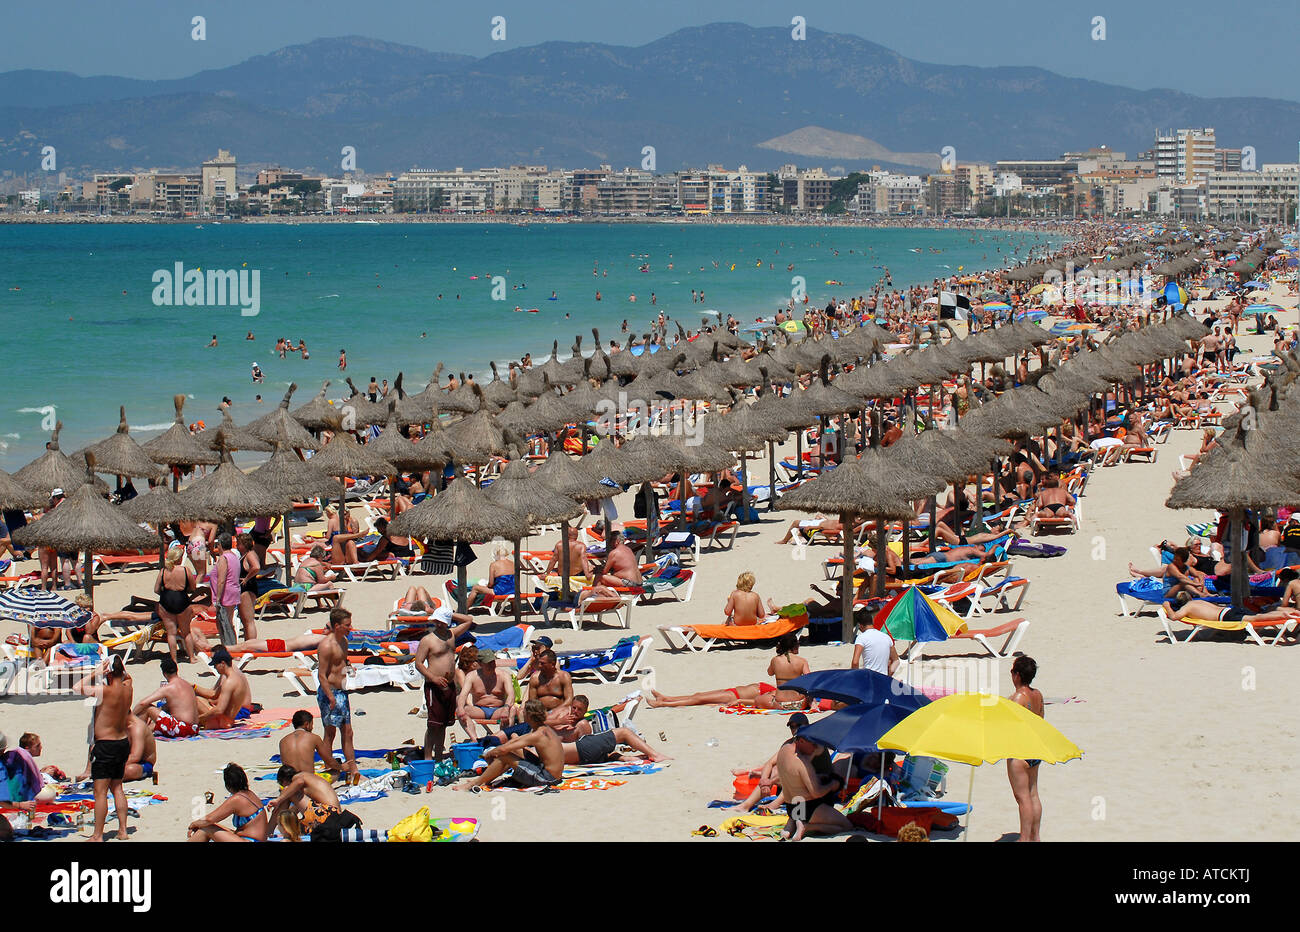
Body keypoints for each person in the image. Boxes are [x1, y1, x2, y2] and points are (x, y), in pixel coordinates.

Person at [647, 636, 809, 710]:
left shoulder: (776, 661)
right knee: (699, 697)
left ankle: (663, 703)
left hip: (741, 696)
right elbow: (810, 681)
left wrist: (741, 701)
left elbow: (769, 673)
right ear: (794, 647)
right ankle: (666, 699)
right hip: (787, 702)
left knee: (699, 698)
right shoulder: (802, 661)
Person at [73, 655, 133, 842]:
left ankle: (97, 835)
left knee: (100, 793)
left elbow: (77, 687)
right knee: (117, 787)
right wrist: (117, 670)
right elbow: (128, 678)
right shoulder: (128, 689)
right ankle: (123, 830)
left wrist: (95, 673)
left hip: (105, 745)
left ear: (108, 673)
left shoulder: (104, 691)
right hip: (122, 742)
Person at [453, 700, 563, 792]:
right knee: (511, 751)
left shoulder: (537, 734)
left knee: (504, 756)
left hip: (547, 778)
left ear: (529, 715)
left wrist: (489, 754)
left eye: (524, 711)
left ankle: (475, 783)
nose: (522, 713)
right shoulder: (543, 729)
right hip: (552, 774)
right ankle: (484, 779)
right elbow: (517, 741)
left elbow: (504, 749)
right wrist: (500, 748)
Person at [776, 732, 852, 841]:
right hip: (807, 808)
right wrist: (832, 785)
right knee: (847, 826)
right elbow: (816, 793)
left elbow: (796, 776)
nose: (815, 747)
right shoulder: (802, 762)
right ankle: (806, 826)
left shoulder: (784, 749)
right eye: (813, 744)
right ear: (801, 741)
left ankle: (792, 822)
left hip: (791, 806)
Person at [555, 695, 669, 764]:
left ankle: (626, 758)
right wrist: (560, 721)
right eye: (574, 708)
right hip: (578, 754)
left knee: (609, 748)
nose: (575, 711)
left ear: (585, 712)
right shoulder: (563, 718)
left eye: (579, 709)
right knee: (623, 733)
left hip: (578, 752)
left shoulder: (581, 724)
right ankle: (652, 755)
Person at [316, 609, 359, 776]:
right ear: (337, 626)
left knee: (348, 732)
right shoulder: (326, 646)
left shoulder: (344, 641)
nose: (350, 628)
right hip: (330, 692)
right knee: (330, 732)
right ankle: (330, 767)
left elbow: (343, 661)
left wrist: (349, 669)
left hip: (342, 691)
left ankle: (353, 769)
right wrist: (330, 696)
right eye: (347, 625)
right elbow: (321, 675)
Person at [266, 764, 357, 841]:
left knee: (286, 791)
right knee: (292, 822)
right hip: (334, 817)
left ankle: (268, 831)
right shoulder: (309, 778)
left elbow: (299, 782)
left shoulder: (299, 777)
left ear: (284, 781)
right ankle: (269, 829)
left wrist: (278, 800)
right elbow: (296, 809)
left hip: (326, 815)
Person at [1007, 656, 1044, 842]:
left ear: (1017, 675)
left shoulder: (1018, 698)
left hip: (1020, 753)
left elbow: (1008, 727)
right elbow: (1041, 721)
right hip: (1035, 750)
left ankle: (1023, 838)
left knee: (1022, 798)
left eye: (1012, 672)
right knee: (1033, 794)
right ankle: (1035, 837)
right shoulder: (1038, 695)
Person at [187, 762, 268, 842]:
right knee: (209, 825)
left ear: (227, 785)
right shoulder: (250, 795)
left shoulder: (237, 799)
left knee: (207, 828)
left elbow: (209, 819)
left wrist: (193, 825)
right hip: (252, 839)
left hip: (250, 840)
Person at [414, 614, 457, 761]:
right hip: (434, 686)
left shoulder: (451, 635)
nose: (439, 624)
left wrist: (450, 614)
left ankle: (438, 758)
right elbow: (418, 663)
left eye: (442, 622)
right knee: (433, 725)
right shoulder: (427, 640)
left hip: (449, 685)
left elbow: (469, 620)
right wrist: (434, 678)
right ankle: (427, 758)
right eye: (437, 621)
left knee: (443, 724)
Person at [457, 648, 518, 739]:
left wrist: (506, 708)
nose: (492, 665)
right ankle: (475, 739)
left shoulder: (504, 675)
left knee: (512, 709)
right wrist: (461, 708)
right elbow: (463, 695)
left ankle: (503, 738)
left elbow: (511, 694)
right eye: (488, 663)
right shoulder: (472, 676)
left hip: (498, 709)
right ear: (480, 664)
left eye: (493, 662)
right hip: (479, 710)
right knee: (460, 710)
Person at [133, 657, 201, 738]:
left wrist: (130, 716)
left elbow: (142, 703)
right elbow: (172, 707)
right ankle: (142, 732)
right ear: (177, 670)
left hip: (182, 729)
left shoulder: (169, 687)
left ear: (164, 674)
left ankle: (137, 733)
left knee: (147, 707)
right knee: (153, 725)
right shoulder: (187, 685)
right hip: (194, 729)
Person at [155, 543, 196, 663]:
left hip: (166, 601)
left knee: (171, 634)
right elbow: (193, 588)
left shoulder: (163, 571)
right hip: (181, 600)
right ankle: (191, 657)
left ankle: (174, 659)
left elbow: (156, 589)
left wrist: (165, 593)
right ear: (178, 559)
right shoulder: (185, 570)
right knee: (186, 632)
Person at [194, 648, 254, 730]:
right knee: (198, 699)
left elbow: (219, 710)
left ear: (222, 663)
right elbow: (213, 694)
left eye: (215, 665)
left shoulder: (229, 682)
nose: (215, 668)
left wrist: (199, 719)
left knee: (195, 700)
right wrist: (194, 687)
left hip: (222, 723)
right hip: (228, 720)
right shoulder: (236, 677)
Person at [278, 711, 342, 777]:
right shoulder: (314, 737)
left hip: (289, 781)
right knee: (335, 772)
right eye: (312, 724)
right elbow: (330, 762)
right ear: (307, 724)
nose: (312, 727)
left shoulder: (282, 741)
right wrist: (342, 767)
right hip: (308, 780)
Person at [208, 533, 242, 645]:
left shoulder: (224, 558)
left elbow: (221, 580)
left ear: (220, 545)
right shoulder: (234, 556)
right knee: (227, 621)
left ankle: (229, 646)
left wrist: (217, 598)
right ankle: (230, 645)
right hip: (232, 591)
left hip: (225, 593)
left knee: (224, 622)